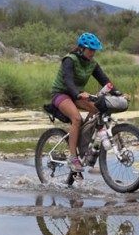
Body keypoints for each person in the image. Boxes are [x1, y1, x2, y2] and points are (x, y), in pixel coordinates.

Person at [49, 32, 116, 175]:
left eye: (95, 50)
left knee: (97, 109)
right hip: (61, 93)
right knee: (77, 118)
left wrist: (118, 92)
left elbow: (104, 81)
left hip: (77, 94)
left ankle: (81, 137)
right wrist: (77, 94)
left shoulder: (92, 63)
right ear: (81, 48)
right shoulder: (69, 60)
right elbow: (68, 80)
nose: (93, 53)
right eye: (90, 50)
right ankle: (73, 157)